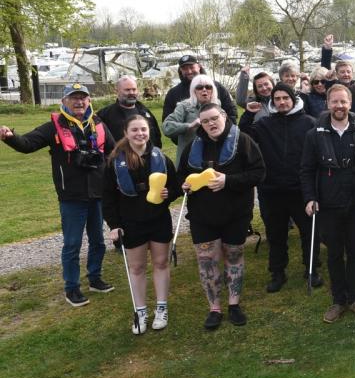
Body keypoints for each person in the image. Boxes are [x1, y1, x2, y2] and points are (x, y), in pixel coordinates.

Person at [1, 83, 115, 306]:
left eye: (83, 98)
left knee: (98, 241)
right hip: (71, 196)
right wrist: (10, 136)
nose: (79, 102)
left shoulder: (98, 123)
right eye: (74, 98)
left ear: (89, 101)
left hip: (97, 194)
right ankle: (71, 289)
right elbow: (27, 144)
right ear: (64, 102)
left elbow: (113, 149)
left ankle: (95, 278)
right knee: (72, 244)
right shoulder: (54, 126)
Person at [178, 102, 266, 330]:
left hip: (235, 213)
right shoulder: (192, 147)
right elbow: (180, 178)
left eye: (214, 118)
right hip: (202, 215)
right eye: (205, 121)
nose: (210, 124)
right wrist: (184, 185)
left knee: (234, 256)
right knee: (207, 261)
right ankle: (214, 308)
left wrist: (228, 181)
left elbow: (259, 173)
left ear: (224, 115)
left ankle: (234, 304)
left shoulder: (243, 141)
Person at [300, 84, 355, 323]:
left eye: (343, 102)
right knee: (334, 253)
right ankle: (338, 300)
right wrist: (310, 197)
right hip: (328, 203)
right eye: (335, 102)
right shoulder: (315, 134)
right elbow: (306, 170)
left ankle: (354, 298)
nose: (339, 106)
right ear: (328, 104)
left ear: (350, 103)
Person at [101, 114, 181, 333]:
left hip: (158, 219)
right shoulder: (114, 161)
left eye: (143, 129)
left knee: (161, 263)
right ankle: (141, 311)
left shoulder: (161, 158)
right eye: (135, 130)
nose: (140, 134)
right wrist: (113, 224)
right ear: (126, 133)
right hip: (131, 222)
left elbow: (176, 188)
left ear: (149, 132)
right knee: (136, 267)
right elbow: (107, 197)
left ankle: (162, 308)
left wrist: (169, 193)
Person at [251, 83, 320, 293]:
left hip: (301, 190)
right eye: (277, 99)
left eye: (285, 98)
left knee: (309, 232)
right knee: (276, 234)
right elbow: (245, 137)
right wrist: (247, 114)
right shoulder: (263, 124)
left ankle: (311, 269)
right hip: (271, 190)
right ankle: (278, 272)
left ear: (293, 99)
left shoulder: (309, 123)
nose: (281, 102)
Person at [160, 55, 237, 133]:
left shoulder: (217, 87)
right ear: (180, 70)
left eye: (192, 67)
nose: (189, 71)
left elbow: (231, 112)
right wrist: (187, 131)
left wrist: (227, 134)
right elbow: (167, 124)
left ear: (199, 66)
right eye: (185, 69)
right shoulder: (174, 93)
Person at [163, 75, 219, 167]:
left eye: (208, 87)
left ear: (213, 90)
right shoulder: (184, 106)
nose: (204, 90)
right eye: (199, 87)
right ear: (194, 91)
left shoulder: (217, 106)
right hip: (189, 160)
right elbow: (167, 127)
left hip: (213, 157)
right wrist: (189, 126)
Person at [96, 75, 163, 147]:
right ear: (117, 91)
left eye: (134, 89)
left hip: (147, 156)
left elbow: (156, 137)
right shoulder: (104, 115)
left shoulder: (145, 112)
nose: (131, 92)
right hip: (119, 157)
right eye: (127, 90)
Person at [235, 66, 275, 132]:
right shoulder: (254, 103)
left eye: (266, 84)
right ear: (256, 89)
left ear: (272, 84)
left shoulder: (280, 100)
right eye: (260, 86)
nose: (264, 88)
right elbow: (240, 101)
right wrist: (244, 76)